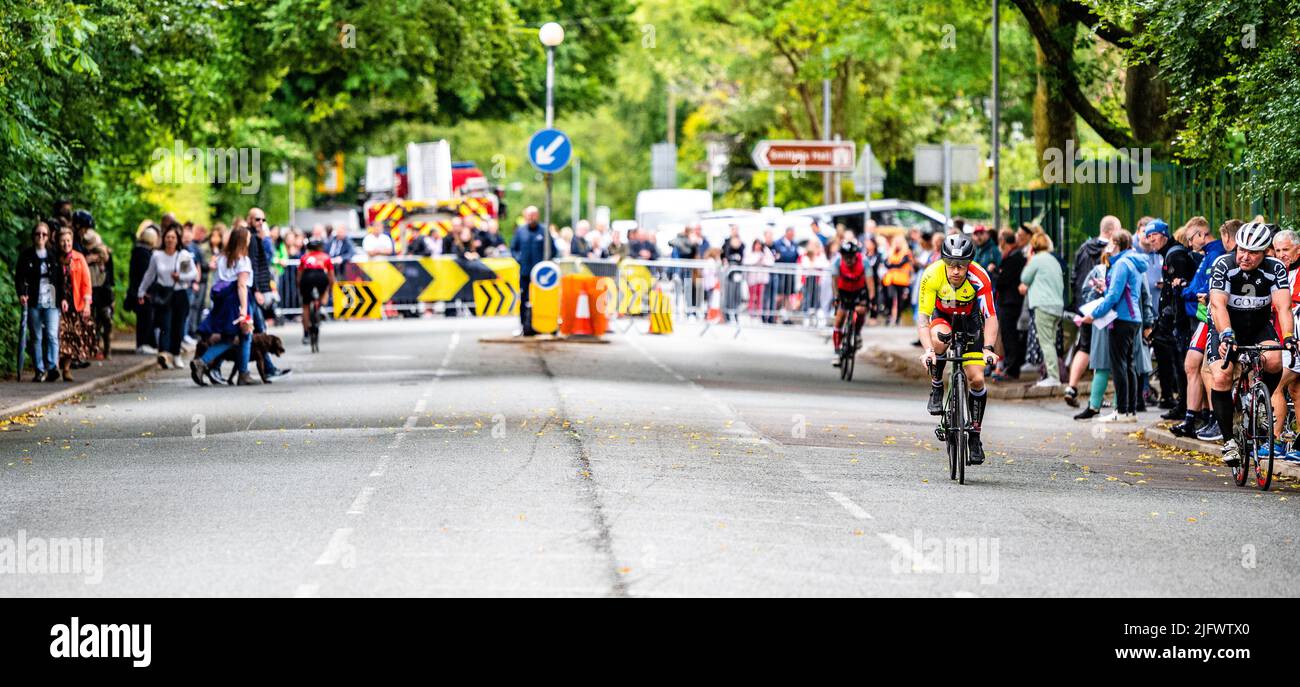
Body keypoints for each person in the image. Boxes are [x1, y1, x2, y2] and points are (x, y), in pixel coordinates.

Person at [1201, 222, 1297, 466]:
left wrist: (1288, 336)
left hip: (1257, 326)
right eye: (1242, 249)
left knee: (1275, 360)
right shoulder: (1224, 264)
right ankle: (1229, 441)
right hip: (1227, 325)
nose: (1244, 256)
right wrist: (1226, 335)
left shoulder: (1275, 268)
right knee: (1221, 375)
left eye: (1253, 252)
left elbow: (1284, 306)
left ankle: (1260, 405)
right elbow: (1218, 305)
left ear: (1265, 251)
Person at [917, 233, 1000, 464]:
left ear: (969, 264)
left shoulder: (979, 277)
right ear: (943, 262)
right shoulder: (932, 275)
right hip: (942, 318)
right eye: (951, 265)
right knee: (939, 339)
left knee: (977, 379)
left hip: (969, 321)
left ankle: (974, 436)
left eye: (962, 265)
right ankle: (936, 387)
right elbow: (923, 319)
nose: (956, 270)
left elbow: (990, 316)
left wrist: (989, 348)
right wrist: (928, 351)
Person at [1172, 219, 1239, 439]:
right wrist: (1189, 291)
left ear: (1202, 234)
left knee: (1208, 368)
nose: (1189, 244)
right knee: (1194, 365)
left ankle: (1216, 419)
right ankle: (1194, 418)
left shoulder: (1218, 253)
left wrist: (1193, 292)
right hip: (1205, 315)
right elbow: (1198, 286)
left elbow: (1210, 288)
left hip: (1214, 316)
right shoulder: (1210, 254)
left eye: (1191, 239)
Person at [1082, 229, 1148, 422]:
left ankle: (1121, 411)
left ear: (1117, 244)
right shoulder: (1133, 261)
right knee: (1129, 365)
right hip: (1133, 318)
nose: (1108, 247)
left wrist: (1093, 314)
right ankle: (1129, 411)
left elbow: (1113, 296)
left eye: (1111, 243)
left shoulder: (1121, 264)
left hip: (1121, 319)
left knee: (1119, 366)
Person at [192, 226, 257, 386]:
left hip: (222, 300)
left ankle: (206, 362)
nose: (249, 240)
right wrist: (243, 310)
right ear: (242, 240)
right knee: (244, 335)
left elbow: (217, 282)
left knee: (228, 337)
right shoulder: (243, 260)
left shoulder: (221, 258)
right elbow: (242, 285)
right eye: (248, 238)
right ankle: (242, 373)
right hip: (237, 301)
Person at [138, 223, 199, 370]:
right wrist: (141, 291)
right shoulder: (157, 256)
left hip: (179, 293)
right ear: (163, 239)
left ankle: (176, 354)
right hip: (163, 294)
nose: (170, 240)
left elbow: (193, 274)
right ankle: (164, 354)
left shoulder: (183, 256)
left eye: (173, 237)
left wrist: (181, 277)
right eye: (167, 237)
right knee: (165, 324)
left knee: (178, 326)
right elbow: (149, 275)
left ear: (177, 240)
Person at [1265, 229, 1300, 461]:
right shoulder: (1282, 271)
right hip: (1287, 338)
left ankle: (1276, 441)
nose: (1281, 254)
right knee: (1295, 390)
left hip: (1295, 339)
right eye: (1277, 250)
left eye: (1285, 250)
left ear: (1298, 249)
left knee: (1276, 386)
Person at [16, 222, 65, 382]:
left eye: (44, 234)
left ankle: (52, 367)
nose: (41, 237)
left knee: (52, 334)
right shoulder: (27, 255)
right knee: (37, 336)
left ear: (48, 236)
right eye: (38, 234)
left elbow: (60, 279)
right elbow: (20, 277)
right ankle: (39, 369)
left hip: (51, 298)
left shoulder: (53, 255)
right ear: (33, 236)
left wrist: (63, 298)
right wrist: (22, 293)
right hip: (34, 299)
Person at [245, 208, 288, 379]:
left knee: (260, 329)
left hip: (257, 288)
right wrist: (256, 290)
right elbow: (252, 267)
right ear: (249, 220)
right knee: (256, 329)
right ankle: (211, 363)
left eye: (263, 220)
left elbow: (268, 258)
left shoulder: (260, 238)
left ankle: (267, 368)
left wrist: (266, 240)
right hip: (250, 290)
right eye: (257, 219)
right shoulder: (249, 238)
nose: (261, 223)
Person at [1020, 230, 1065, 387]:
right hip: (1057, 305)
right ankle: (1051, 374)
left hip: (1043, 305)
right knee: (1050, 342)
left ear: (1033, 246)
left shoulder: (1036, 260)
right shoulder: (1054, 260)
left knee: (1046, 343)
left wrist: (1029, 259)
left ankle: (1053, 377)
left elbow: (1024, 278)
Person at [510, 206, 559, 336]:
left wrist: (546, 263)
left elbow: (553, 250)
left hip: (541, 276)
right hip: (525, 273)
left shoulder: (544, 231)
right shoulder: (520, 231)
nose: (531, 217)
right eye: (529, 215)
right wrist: (519, 259)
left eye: (534, 215)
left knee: (544, 300)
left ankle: (545, 325)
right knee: (525, 299)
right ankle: (524, 326)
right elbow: (513, 249)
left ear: (537, 215)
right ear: (525, 216)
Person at [55, 228, 94, 383]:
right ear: (58, 242)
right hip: (58, 302)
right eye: (63, 241)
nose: (66, 244)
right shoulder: (55, 259)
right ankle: (54, 366)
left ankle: (66, 369)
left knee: (71, 337)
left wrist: (87, 304)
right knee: (58, 335)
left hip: (75, 303)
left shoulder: (79, 258)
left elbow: (86, 282)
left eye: (68, 241)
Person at [993, 228, 1027, 380]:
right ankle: (1009, 366)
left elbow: (1002, 281)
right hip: (1010, 301)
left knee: (1009, 335)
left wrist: (994, 273)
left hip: (1010, 302)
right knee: (1008, 335)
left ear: (1003, 242)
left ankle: (1011, 368)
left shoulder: (1014, 257)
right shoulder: (1015, 255)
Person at [830, 239, 870, 365]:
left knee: (861, 310)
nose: (848, 259)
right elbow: (834, 281)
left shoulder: (864, 261)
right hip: (843, 290)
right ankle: (837, 351)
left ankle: (857, 333)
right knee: (840, 318)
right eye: (846, 256)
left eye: (851, 256)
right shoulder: (837, 262)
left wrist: (872, 299)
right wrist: (836, 297)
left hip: (858, 290)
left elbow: (870, 282)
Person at [126, 221, 161, 355]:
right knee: (145, 319)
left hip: (141, 291)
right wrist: (146, 291)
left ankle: (146, 344)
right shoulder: (143, 254)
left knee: (146, 318)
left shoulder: (140, 252)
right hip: (143, 293)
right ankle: (143, 344)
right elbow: (145, 275)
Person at [82, 229, 115, 359]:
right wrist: (88, 260)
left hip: (104, 292)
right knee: (93, 322)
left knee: (106, 320)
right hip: (90, 291)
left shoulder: (106, 254)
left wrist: (112, 298)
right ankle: (93, 348)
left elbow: (110, 278)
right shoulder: (84, 256)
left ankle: (107, 348)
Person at [297, 237, 335, 346]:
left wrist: (300, 287)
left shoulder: (304, 258)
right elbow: (331, 276)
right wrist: (330, 289)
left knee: (305, 306)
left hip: (307, 277)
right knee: (325, 288)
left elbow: (299, 275)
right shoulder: (325, 257)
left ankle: (305, 334)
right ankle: (322, 306)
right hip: (320, 276)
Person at [882, 235, 914, 326]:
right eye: (895, 242)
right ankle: (889, 316)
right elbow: (886, 263)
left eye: (899, 242)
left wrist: (892, 265)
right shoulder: (890, 252)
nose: (897, 244)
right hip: (890, 279)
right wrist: (892, 265)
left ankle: (897, 318)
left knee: (900, 300)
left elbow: (901, 264)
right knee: (889, 297)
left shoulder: (907, 253)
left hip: (901, 280)